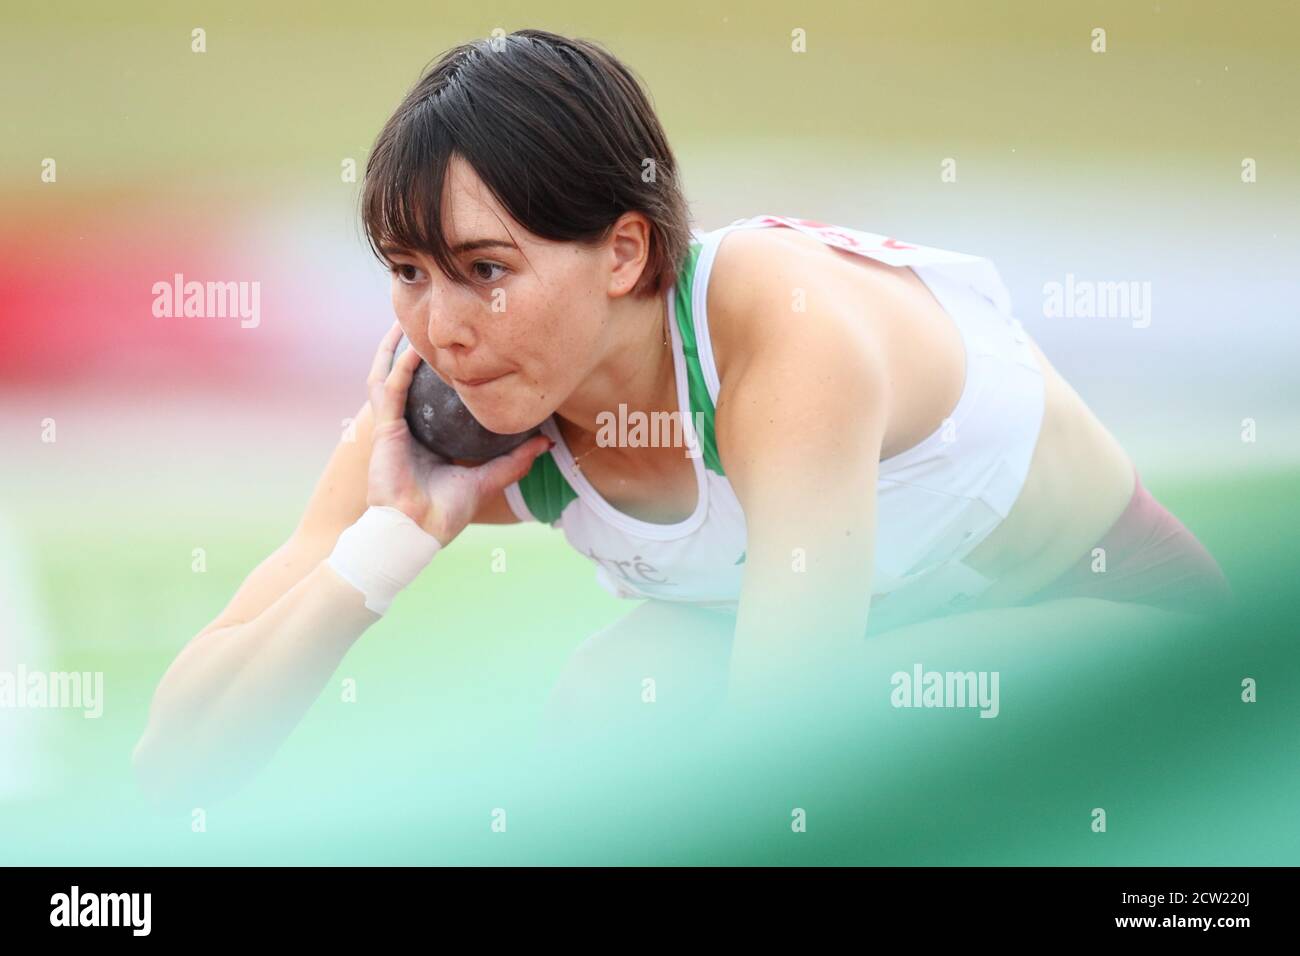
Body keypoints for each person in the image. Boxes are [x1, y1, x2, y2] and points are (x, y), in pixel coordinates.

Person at [133, 29, 1233, 803]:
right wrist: (392, 539)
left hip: (1146, 649)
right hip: (894, 649)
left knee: (777, 726)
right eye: (409, 270)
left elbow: (781, 752)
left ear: (623, 250)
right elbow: (177, 758)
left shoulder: (780, 327)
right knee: (612, 702)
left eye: (483, 267)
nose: (442, 325)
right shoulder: (449, 395)